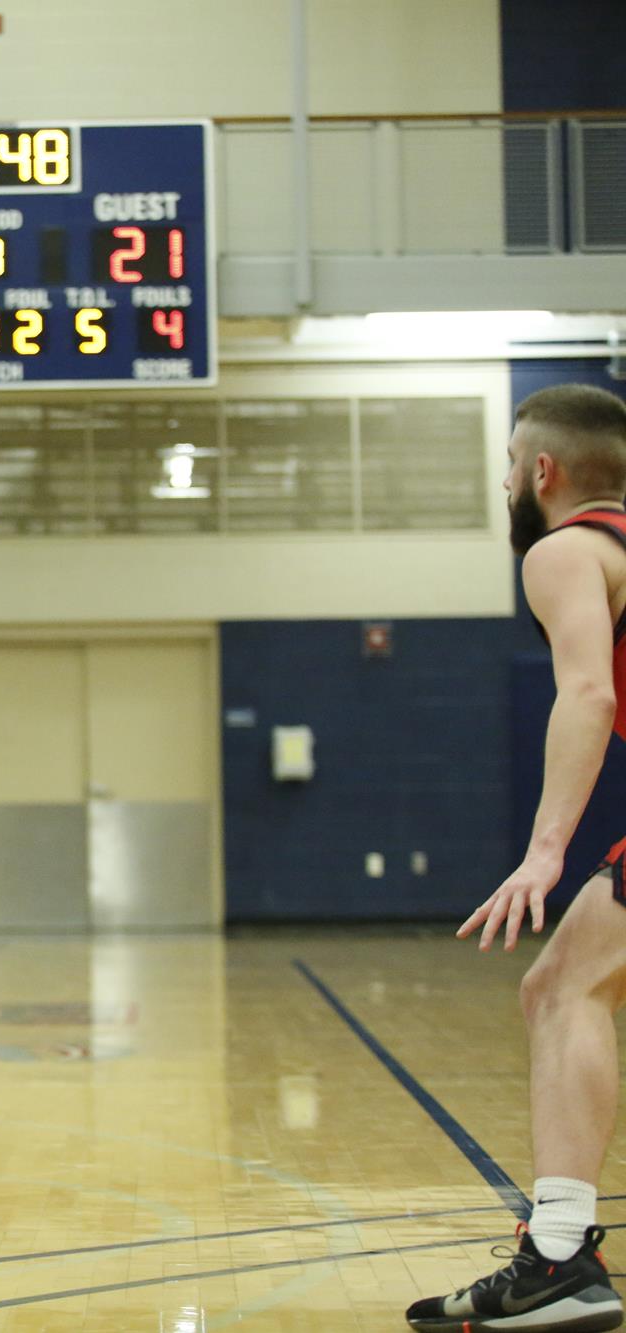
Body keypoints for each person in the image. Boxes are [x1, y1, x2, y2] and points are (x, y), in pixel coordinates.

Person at [409, 385, 626, 1332]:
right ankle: (561, 1249)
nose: (505, 481)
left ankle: (560, 1258)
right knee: (561, 985)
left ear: (542, 471)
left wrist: (545, 851)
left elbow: (587, 691)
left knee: (563, 988)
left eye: (507, 463)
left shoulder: (565, 549)